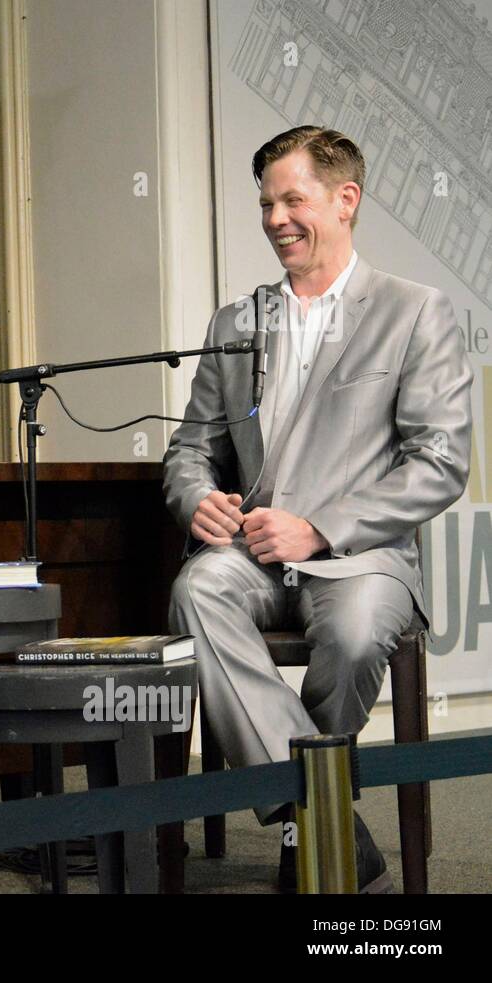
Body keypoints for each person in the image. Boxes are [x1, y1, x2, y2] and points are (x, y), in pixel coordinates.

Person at [163, 126, 472, 893]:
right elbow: (190, 449)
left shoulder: (416, 311)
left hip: (363, 556)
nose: (274, 218)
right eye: (266, 203)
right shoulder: (237, 322)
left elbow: (441, 462)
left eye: (291, 199)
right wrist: (197, 498)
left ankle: (314, 824)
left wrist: (324, 526)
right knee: (196, 589)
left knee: (362, 626)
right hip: (254, 557)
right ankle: (327, 818)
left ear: (345, 200)